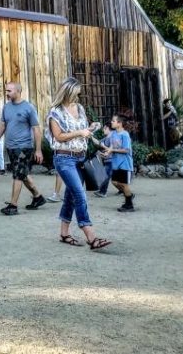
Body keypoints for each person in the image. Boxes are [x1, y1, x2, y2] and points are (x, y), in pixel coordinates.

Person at [47, 77, 112, 250]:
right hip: (64, 158)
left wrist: (92, 131)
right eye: (76, 91)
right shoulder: (55, 112)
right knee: (79, 195)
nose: (79, 94)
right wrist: (79, 132)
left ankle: (64, 233)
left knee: (70, 197)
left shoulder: (80, 108)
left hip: (81, 157)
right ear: (68, 91)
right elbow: (58, 136)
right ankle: (90, 235)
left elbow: (84, 131)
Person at [0, 82, 45, 215]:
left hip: (24, 148)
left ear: (18, 91)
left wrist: (38, 150)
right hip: (11, 147)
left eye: (9, 91)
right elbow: (2, 125)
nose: (7, 93)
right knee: (22, 173)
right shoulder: (6, 107)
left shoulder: (28, 108)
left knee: (18, 174)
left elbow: (36, 129)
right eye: (6, 91)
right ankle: (38, 197)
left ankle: (13, 205)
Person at [105, 115, 136, 212]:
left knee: (124, 184)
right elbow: (111, 147)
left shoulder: (125, 135)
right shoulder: (113, 134)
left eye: (113, 121)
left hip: (125, 164)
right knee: (114, 182)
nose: (111, 122)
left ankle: (129, 205)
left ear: (120, 123)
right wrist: (107, 153)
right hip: (115, 163)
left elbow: (126, 150)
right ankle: (129, 195)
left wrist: (112, 150)